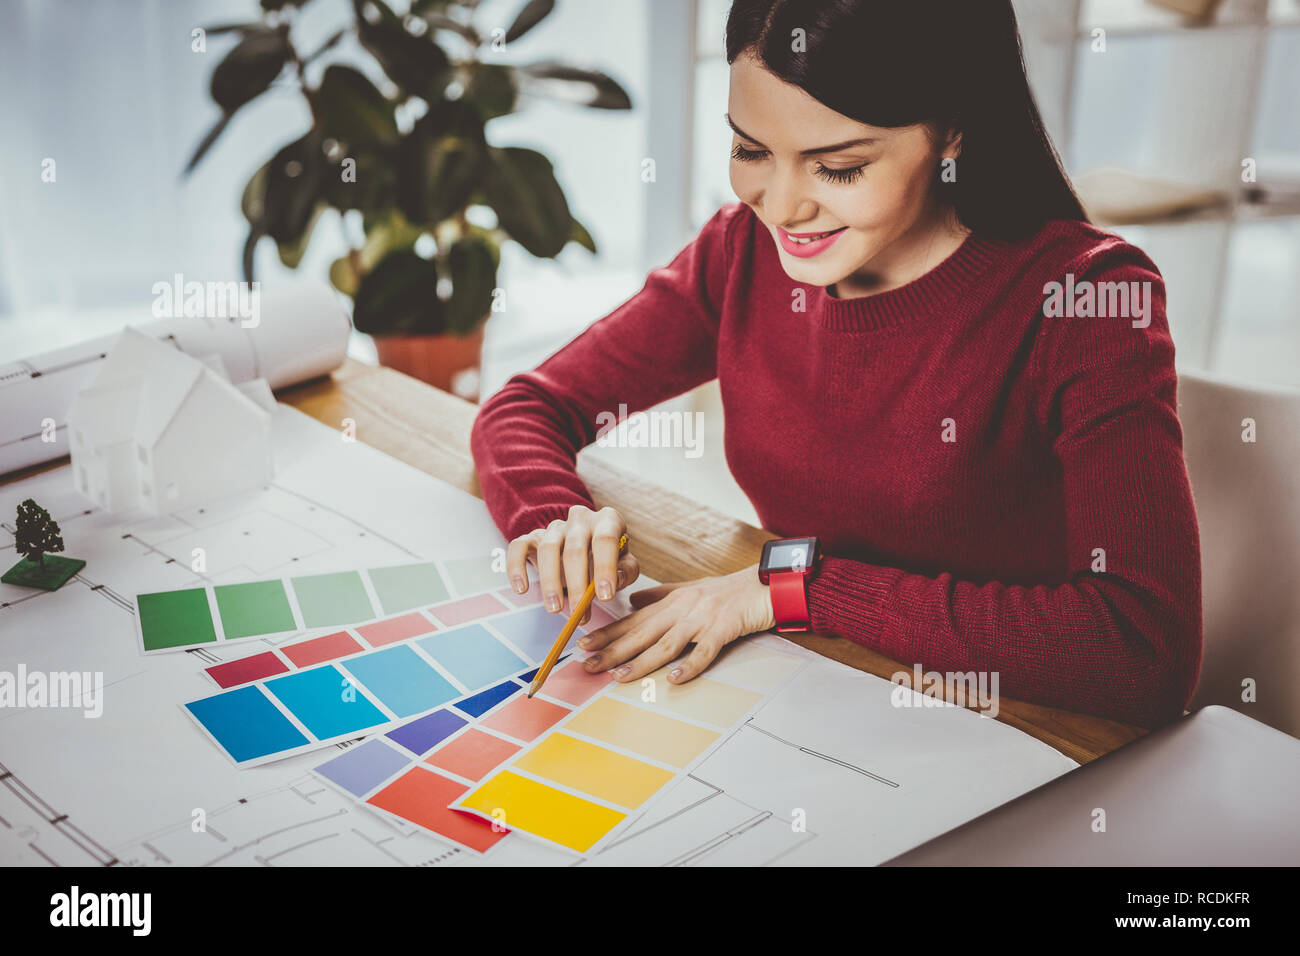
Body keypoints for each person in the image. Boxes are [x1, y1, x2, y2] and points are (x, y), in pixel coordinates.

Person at [470, 0, 1202, 728]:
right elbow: (527, 408)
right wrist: (556, 517)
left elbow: (1140, 648)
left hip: (1019, 728)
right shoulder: (741, 252)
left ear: (953, 131)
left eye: (839, 168)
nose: (782, 207)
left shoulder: (1089, 301)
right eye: (751, 150)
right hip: (818, 691)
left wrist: (794, 590)